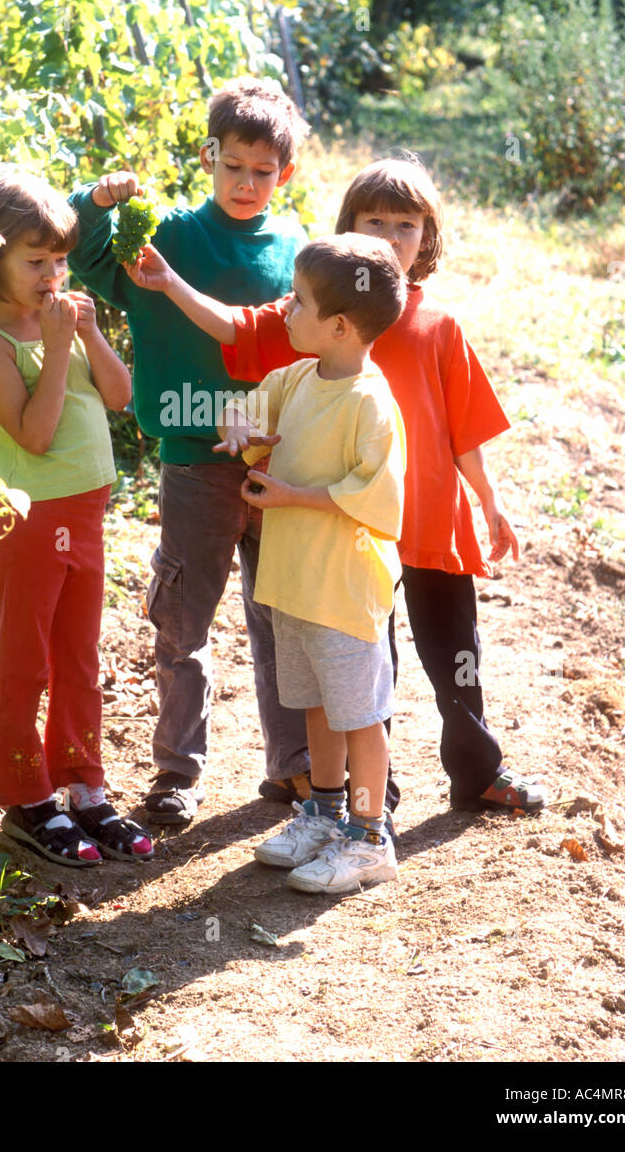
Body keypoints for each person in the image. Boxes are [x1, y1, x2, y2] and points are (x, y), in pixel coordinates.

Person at [125, 155, 546, 815]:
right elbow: (242, 329)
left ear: (427, 236)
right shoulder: (320, 321)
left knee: (455, 654)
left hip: (429, 517)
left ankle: (477, 770)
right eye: (372, 221)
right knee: (365, 662)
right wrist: (171, 284)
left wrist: (489, 504)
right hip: (351, 523)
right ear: (347, 228)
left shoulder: (439, 327)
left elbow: (467, 430)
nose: (389, 235)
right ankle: (372, 786)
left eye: (405, 224)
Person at [66, 78, 312, 825]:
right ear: (210, 158)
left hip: (280, 462)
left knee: (285, 617)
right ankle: (177, 774)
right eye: (233, 165)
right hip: (195, 458)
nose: (246, 183)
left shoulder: (297, 251)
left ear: (285, 175)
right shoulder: (168, 236)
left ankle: (296, 767)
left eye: (262, 170)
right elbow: (88, 258)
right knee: (183, 623)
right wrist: (97, 200)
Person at [0, 173, 153, 866]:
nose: (53, 276)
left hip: (87, 508)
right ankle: (25, 798)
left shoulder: (65, 324)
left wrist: (90, 333)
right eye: (34, 262)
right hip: (33, 518)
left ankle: (84, 786)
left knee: (77, 658)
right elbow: (35, 437)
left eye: (60, 260)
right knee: (27, 661)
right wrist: (54, 346)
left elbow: (121, 393)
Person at [214, 236, 406, 893]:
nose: (285, 308)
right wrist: (240, 430)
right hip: (296, 584)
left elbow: (378, 500)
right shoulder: (294, 379)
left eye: (298, 301)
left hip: (345, 590)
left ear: (341, 326)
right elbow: (244, 411)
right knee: (319, 709)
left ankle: (369, 836)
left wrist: (293, 495)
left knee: (359, 716)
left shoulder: (370, 403)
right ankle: (323, 815)